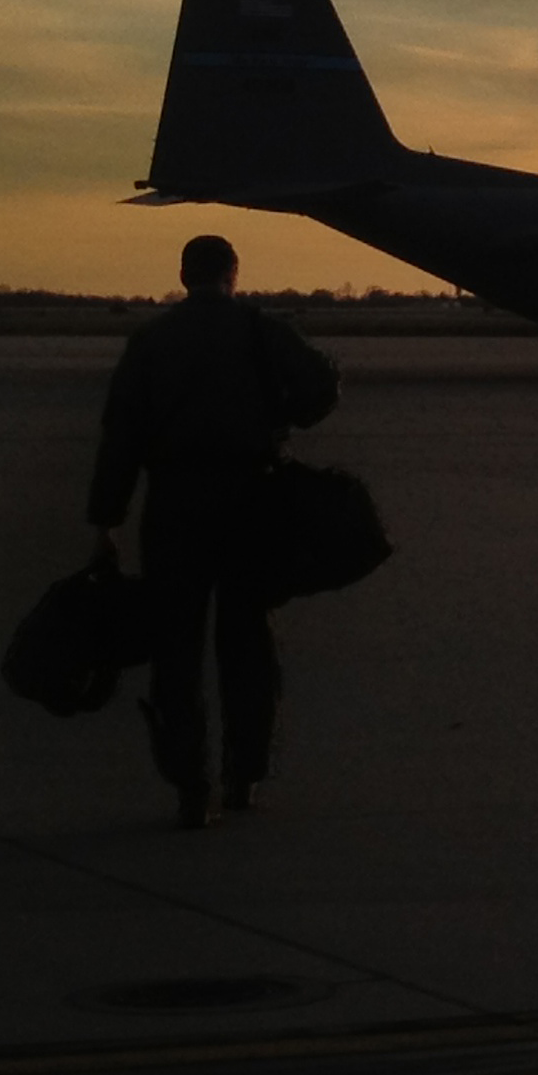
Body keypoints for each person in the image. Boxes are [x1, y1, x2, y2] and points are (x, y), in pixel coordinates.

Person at [85, 235, 339, 829]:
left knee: (176, 647)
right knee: (246, 640)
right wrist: (283, 420)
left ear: (183, 275)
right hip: (250, 499)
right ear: (233, 273)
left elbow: (120, 434)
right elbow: (320, 389)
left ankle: (189, 787)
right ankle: (244, 776)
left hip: (175, 504)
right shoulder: (261, 331)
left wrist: (105, 519)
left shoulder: (151, 341)